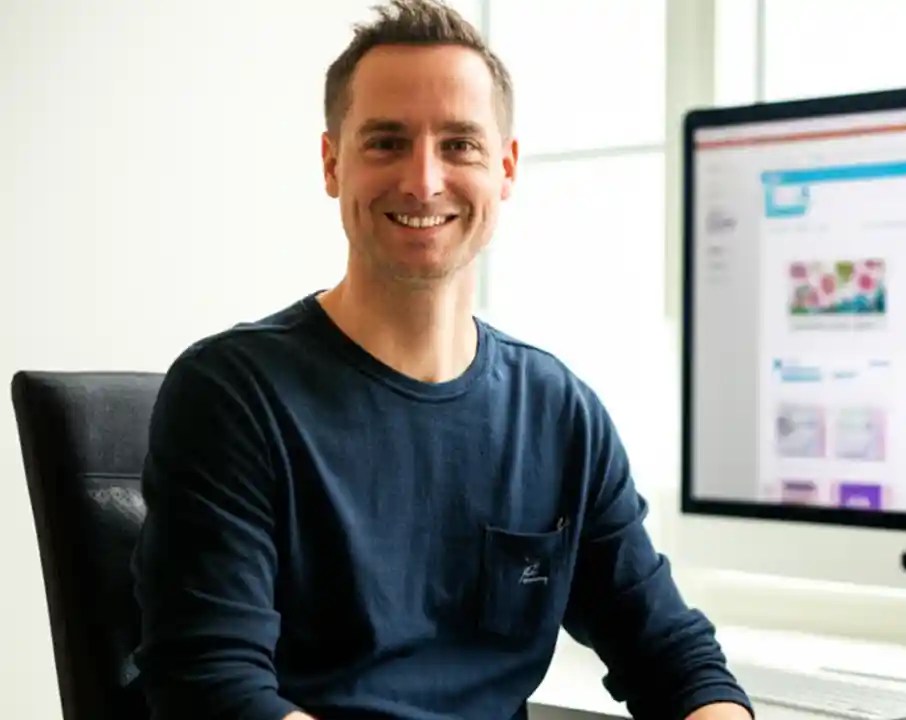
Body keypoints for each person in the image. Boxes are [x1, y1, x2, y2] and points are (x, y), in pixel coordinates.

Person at [129, 1, 754, 719]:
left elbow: (676, 660)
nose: (424, 181)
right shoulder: (233, 395)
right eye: (387, 143)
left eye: (459, 144)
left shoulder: (559, 412)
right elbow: (212, 692)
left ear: (506, 168)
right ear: (333, 163)